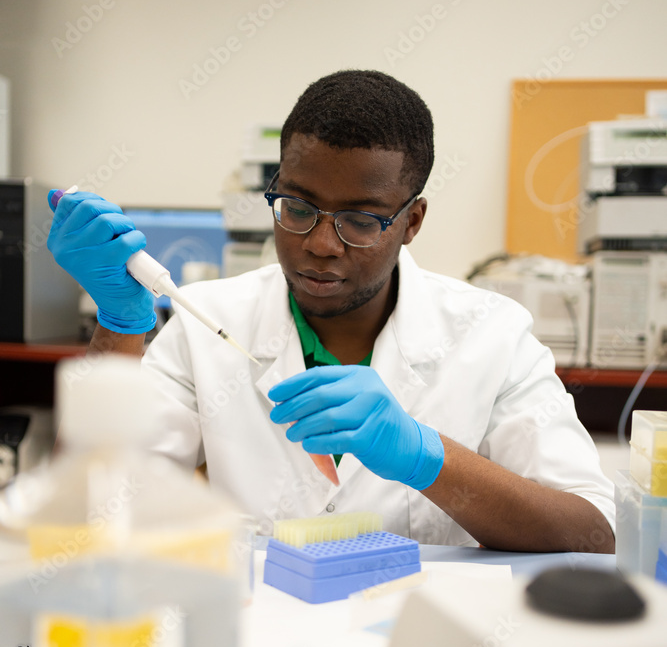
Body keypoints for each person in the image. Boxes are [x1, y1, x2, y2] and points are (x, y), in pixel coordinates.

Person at [47, 69, 615, 552]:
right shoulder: (207, 324)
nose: (320, 243)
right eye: (298, 206)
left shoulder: (491, 334)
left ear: (412, 222)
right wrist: (119, 327)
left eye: (362, 220)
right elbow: (85, 519)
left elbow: (592, 532)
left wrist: (427, 458)